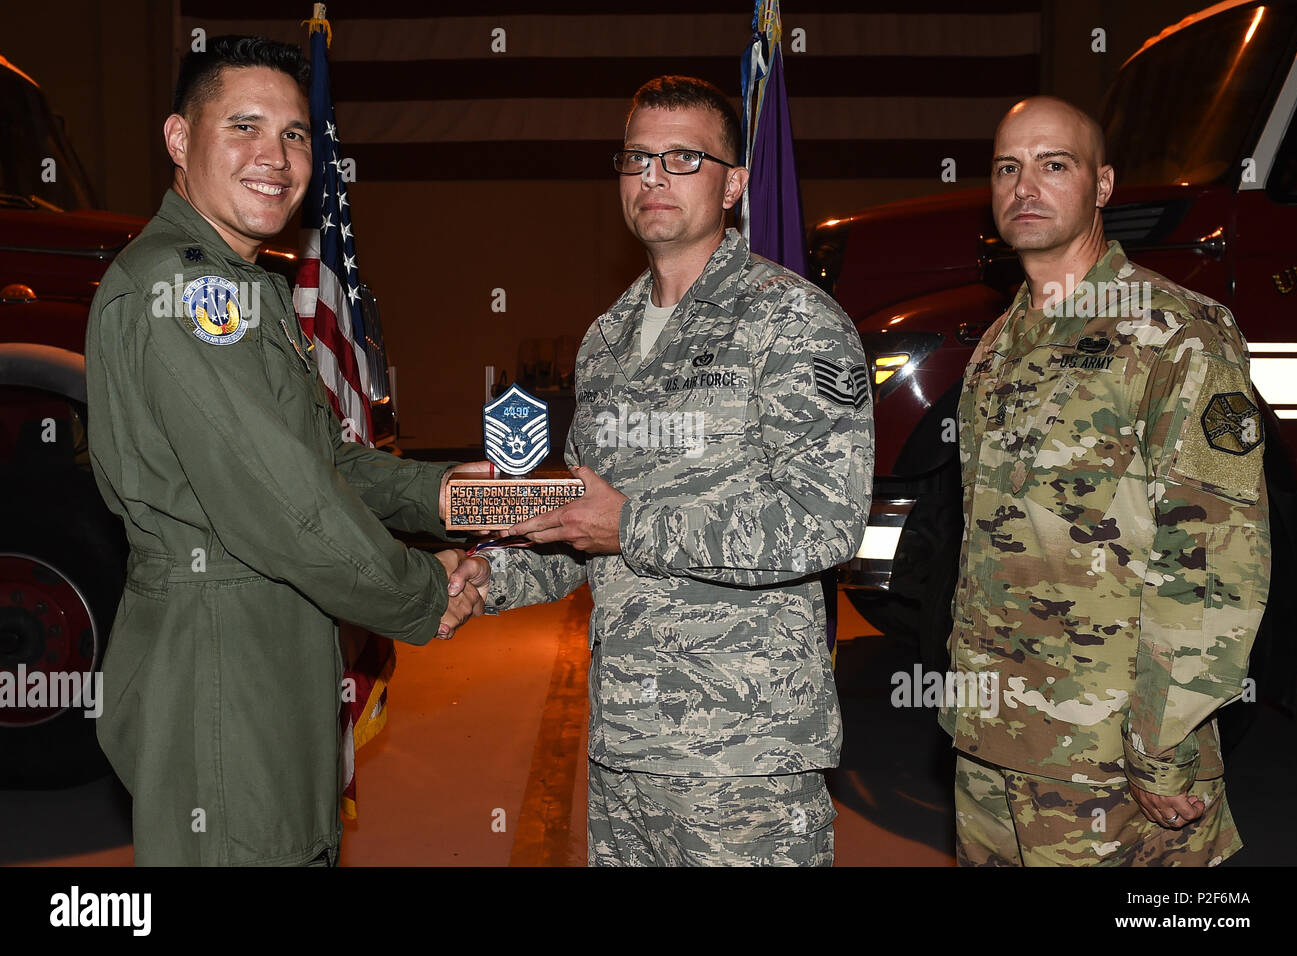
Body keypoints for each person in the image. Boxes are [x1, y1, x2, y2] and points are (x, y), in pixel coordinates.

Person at [84, 36, 489, 866]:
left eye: (296, 134)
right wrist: (417, 593)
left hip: (269, 638)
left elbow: (321, 463)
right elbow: (285, 504)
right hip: (220, 656)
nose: (275, 157)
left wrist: (447, 495)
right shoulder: (186, 293)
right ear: (178, 140)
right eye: (244, 127)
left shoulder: (241, 286)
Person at [480, 75, 873, 866]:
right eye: (637, 158)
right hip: (625, 745)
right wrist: (480, 576)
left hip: (742, 761)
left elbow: (826, 523)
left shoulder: (791, 322)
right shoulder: (608, 337)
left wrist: (631, 524)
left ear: (732, 185)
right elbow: (580, 526)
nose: (653, 176)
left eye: (682, 158)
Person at [940, 96, 1270, 866]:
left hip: (1111, 759)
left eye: (1055, 165)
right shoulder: (997, 345)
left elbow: (1216, 559)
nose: (1026, 186)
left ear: (1103, 186)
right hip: (993, 739)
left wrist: (1164, 740)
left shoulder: (1177, 334)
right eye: (1007, 169)